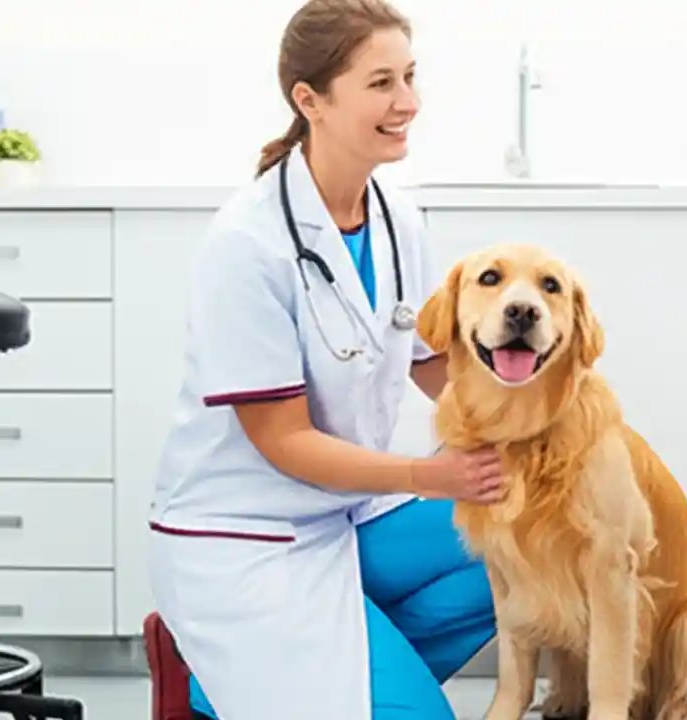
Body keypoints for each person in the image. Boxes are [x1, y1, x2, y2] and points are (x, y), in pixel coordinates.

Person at [144, 1, 504, 718]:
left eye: (409, 76)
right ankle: (224, 678)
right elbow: (282, 438)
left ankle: (289, 683)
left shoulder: (397, 217)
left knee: (527, 538)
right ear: (309, 100)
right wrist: (429, 473)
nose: (407, 103)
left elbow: (433, 361)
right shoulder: (247, 244)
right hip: (250, 537)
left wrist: (534, 424)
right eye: (380, 84)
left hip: (344, 515)